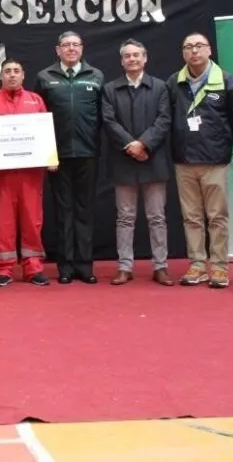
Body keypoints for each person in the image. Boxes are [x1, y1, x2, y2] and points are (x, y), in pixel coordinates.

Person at [168, 32, 233, 289]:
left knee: (217, 217)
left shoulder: (227, 81)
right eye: (188, 47)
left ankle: (220, 267)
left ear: (209, 50)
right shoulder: (174, 82)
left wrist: (222, 143)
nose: (194, 51)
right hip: (184, 161)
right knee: (191, 217)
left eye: (199, 46)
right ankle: (197, 265)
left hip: (215, 161)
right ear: (183, 53)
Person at [101, 40, 174, 287]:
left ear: (145, 58)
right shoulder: (110, 89)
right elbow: (109, 122)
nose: (132, 59)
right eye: (127, 56)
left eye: (136, 55)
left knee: (157, 218)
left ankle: (161, 266)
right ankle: (124, 267)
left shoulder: (160, 87)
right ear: (122, 61)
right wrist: (130, 145)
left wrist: (143, 144)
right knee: (125, 218)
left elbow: (164, 120)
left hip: (153, 160)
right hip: (123, 160)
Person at [35, 31, 104, 285]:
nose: (71, 48)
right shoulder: (45, 77)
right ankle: (65, 267)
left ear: (82, 48)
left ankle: (85, 266)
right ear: (58, 49)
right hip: (57, 156)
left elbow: (103, 116)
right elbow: (38, 118)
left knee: (85, 210)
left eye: (76, 44)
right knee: (63, 212)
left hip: (88, 153)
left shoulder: (96, 76)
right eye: (66, 45)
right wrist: (47, 152)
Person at [0, 59, 52, 287]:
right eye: (7, 71)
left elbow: (44, 132)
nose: (12, 75)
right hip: (2, 175)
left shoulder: (35, 100)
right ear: (0, 75)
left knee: (32, 220)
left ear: (23, 75)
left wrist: (50, 157)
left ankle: (33, 268)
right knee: (4, 221)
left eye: (16, 71)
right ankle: (3, 269)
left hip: (31, 173)